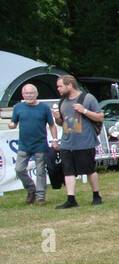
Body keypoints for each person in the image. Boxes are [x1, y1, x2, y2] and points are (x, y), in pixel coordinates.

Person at [51, 74, 105, 209]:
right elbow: (63, 123)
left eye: (60, 86)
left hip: (85, 142)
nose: (58, 89)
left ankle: (96, 195)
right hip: (67, 142)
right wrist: (57, 118)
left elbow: (100, 117)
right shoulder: (62, 101)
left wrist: (84, 110)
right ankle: (71, 199)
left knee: (89, 170)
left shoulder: (88, 98)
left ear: (69, 85)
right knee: (68, 172)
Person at [9, 83, 56, 205]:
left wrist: (55, 139)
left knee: (40, 171)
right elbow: (13, 122)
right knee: (19, 169)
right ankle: (31, 189)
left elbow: (52, 125)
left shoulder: (44, 108)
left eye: (31, 93)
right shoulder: (18, 107)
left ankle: (41, 196)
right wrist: (12, 125)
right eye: (26, 93)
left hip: (40, 145)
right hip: (24, 145)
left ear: (36, 94)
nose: (29, 95)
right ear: (23, 94)